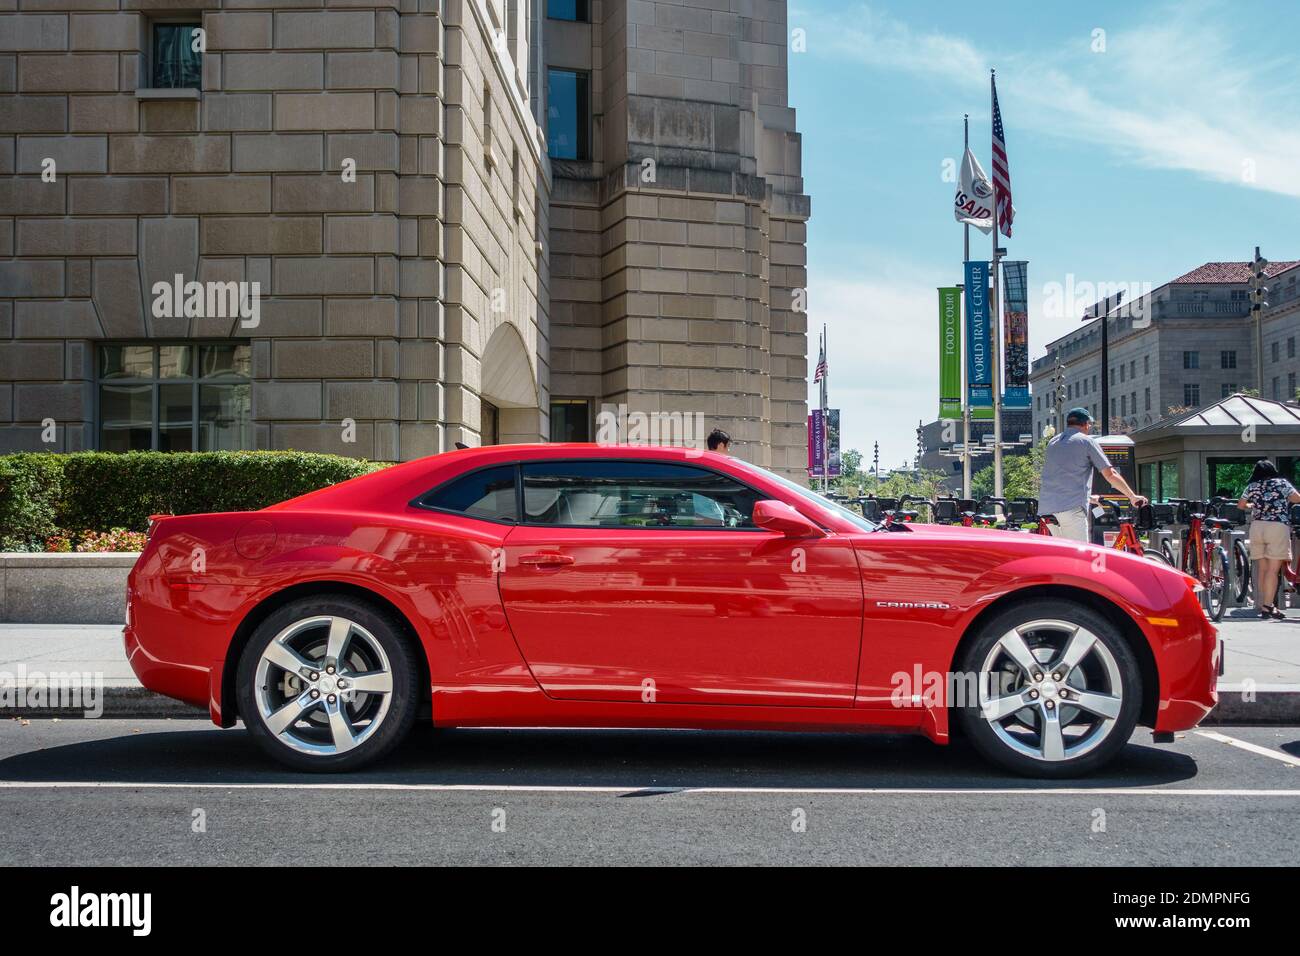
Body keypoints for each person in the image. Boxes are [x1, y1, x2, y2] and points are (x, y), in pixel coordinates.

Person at [1038, 407, 1146, 542]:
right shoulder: (1086, 441)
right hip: (1070, 510)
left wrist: (1088, 498)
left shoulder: (1053, 442)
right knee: (1079, 552)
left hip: (1047, 509)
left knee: (1061, 551)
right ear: (1086, 424)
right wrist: (1132, 496)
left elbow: (1061, 477)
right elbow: (1110, 474)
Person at [1236, 459, 1300, 620]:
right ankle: (1267, 606)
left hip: (1257, 527)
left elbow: (1241, 504)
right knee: (1273, 570)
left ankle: (1264, 604)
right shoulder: (1282, 483)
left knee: (1262, 570)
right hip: (1277, 526)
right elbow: (1297, 498)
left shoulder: (1253, 486)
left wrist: (1252, 506)